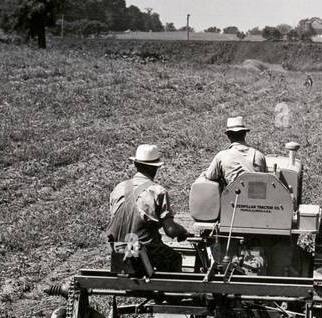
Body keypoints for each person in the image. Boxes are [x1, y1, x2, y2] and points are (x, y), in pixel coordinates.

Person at [106, 143, 191, 274]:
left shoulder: (119, 188)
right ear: (155, 168)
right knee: (174, 258)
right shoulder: (157, 191)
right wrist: (182, 231)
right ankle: (168, 292)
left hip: (118, 247)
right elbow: (170, 230)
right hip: (144, 248)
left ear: (135, 165)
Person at [202, 115, 267, 187]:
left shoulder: (221, 156)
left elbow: (210, 176)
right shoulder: (259, 155)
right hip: (257, 196)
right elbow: (266, 179)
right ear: (245, 134)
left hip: (234, 197)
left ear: (228, 135)